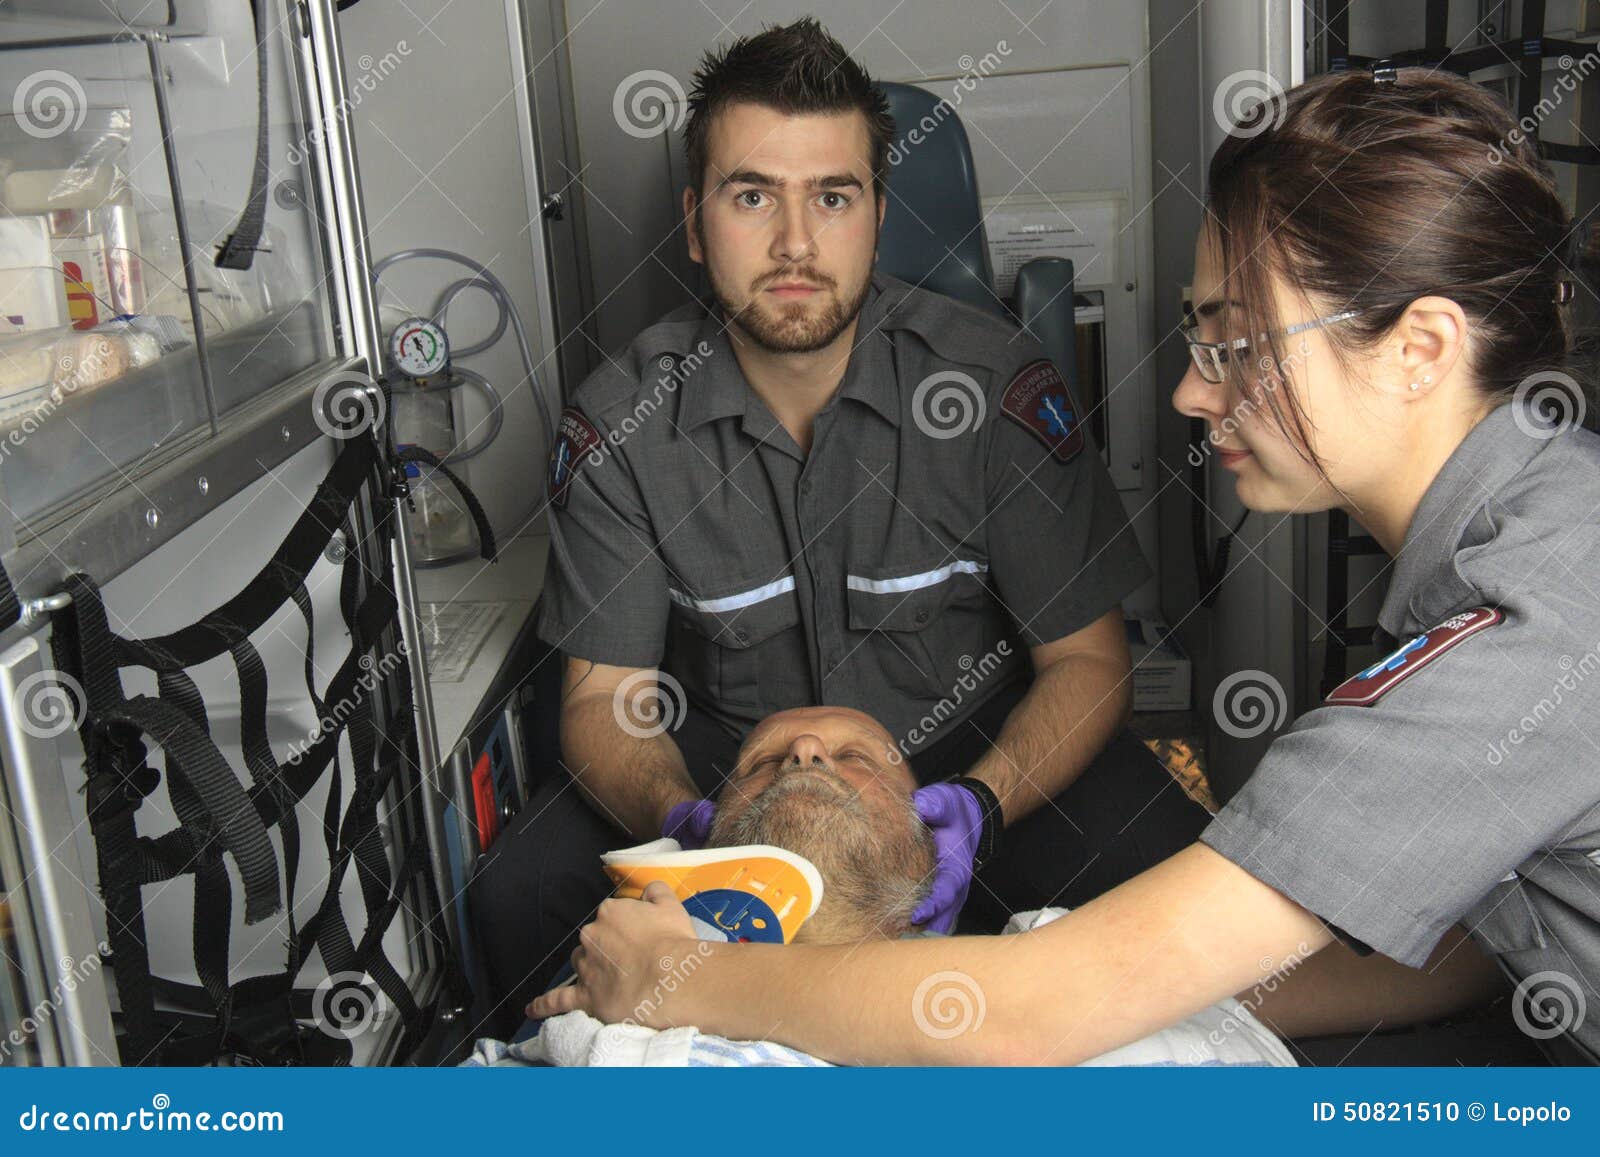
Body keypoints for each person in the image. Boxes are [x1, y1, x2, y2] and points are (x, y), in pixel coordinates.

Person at [530, 64, 1600, 1066]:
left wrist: (701, 981)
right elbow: (1461, 943)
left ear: (1418, 349)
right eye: (753, 195)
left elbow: (1035, 1006)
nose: (1189, 391)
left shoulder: (1519, 635)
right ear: (695, 216)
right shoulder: (1546, 522)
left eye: (1234, 339)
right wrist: (1106, 970)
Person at [470, 17, 1207, 1021]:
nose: (795, 244)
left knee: (1158, 867)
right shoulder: (621, 421)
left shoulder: (991, 387)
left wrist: (982, 808)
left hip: (965, 770)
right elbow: (603, 699)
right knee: (522, 892)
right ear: (695, 222)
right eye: (751, 196)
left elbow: (1087, 662)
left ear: (878, 212)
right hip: (734, 784)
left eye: (832, 196)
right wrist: (688, 829)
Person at [466, 707, 1291, 1068]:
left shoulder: (1064, 947)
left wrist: (678, 982)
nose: (806, 756)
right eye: (760, 766)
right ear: (706, 836)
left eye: (857, 759)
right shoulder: (601, 1019)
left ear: (935, 846)